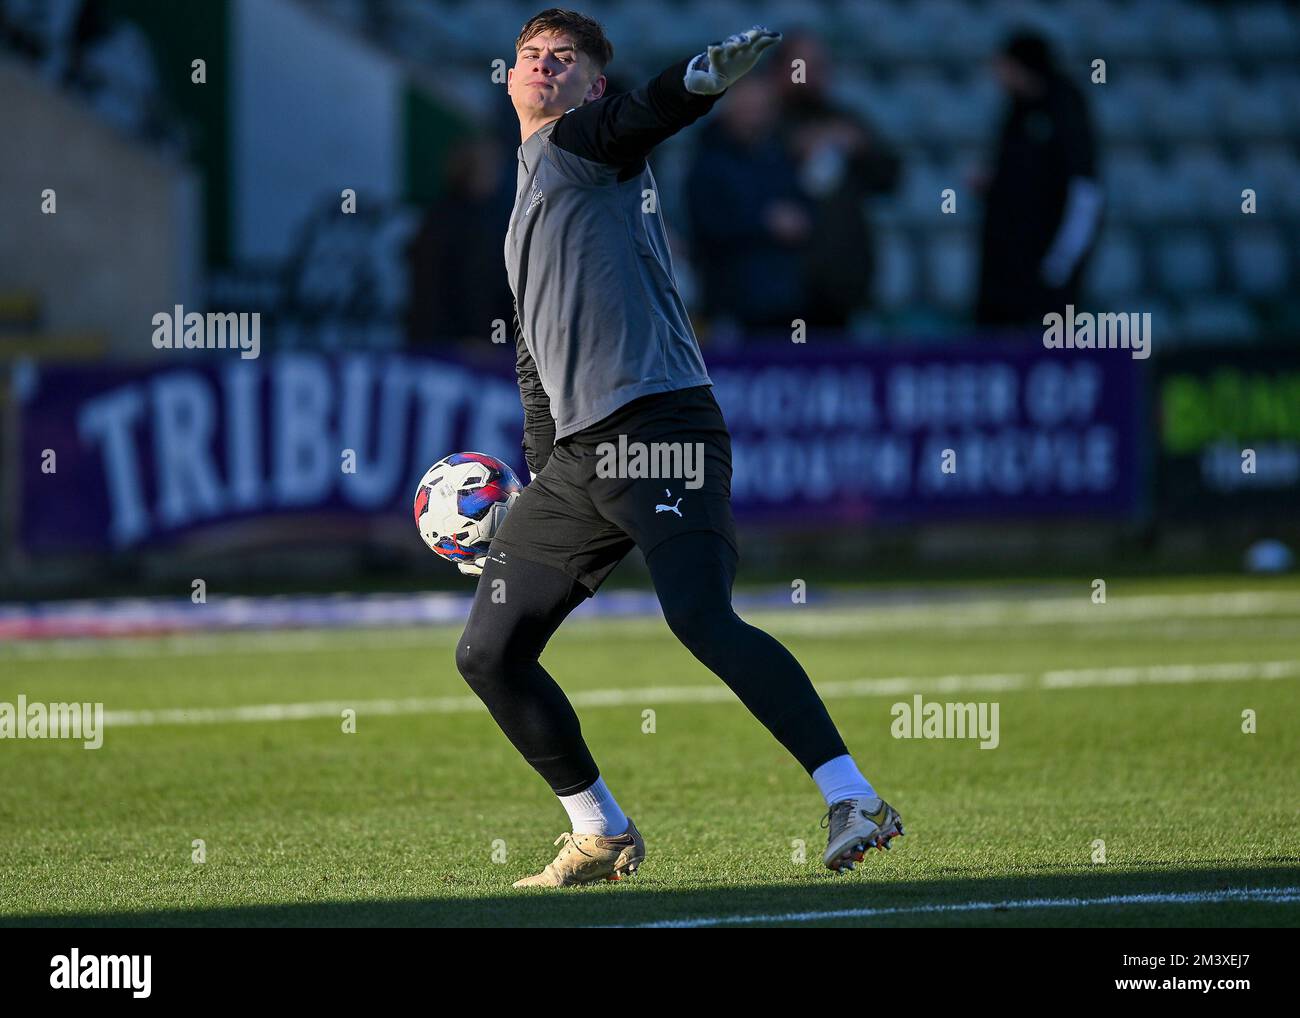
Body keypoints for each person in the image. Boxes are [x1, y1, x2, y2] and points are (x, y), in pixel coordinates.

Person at [453, 8, 904, 888]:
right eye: (531, 56)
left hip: (660, 428)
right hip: (582, 459)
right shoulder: (523, 196)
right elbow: (535, 358)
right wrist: (538, 478)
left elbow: (643, 117)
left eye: (566, 59)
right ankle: (600, 831)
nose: (545, 66)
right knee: (488, 654)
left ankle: (854, 797)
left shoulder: (586, 146)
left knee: (700, 617)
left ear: (594, 85)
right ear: (507, 78)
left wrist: (693, 83)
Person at [975, 29, 1103, 330]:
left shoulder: (1065, 108)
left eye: (1003, 66)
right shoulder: (1015, 110)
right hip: (1006, 271)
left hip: (1047, 269)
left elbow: (1084, 193)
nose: (998, 75)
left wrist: (1060, 262)